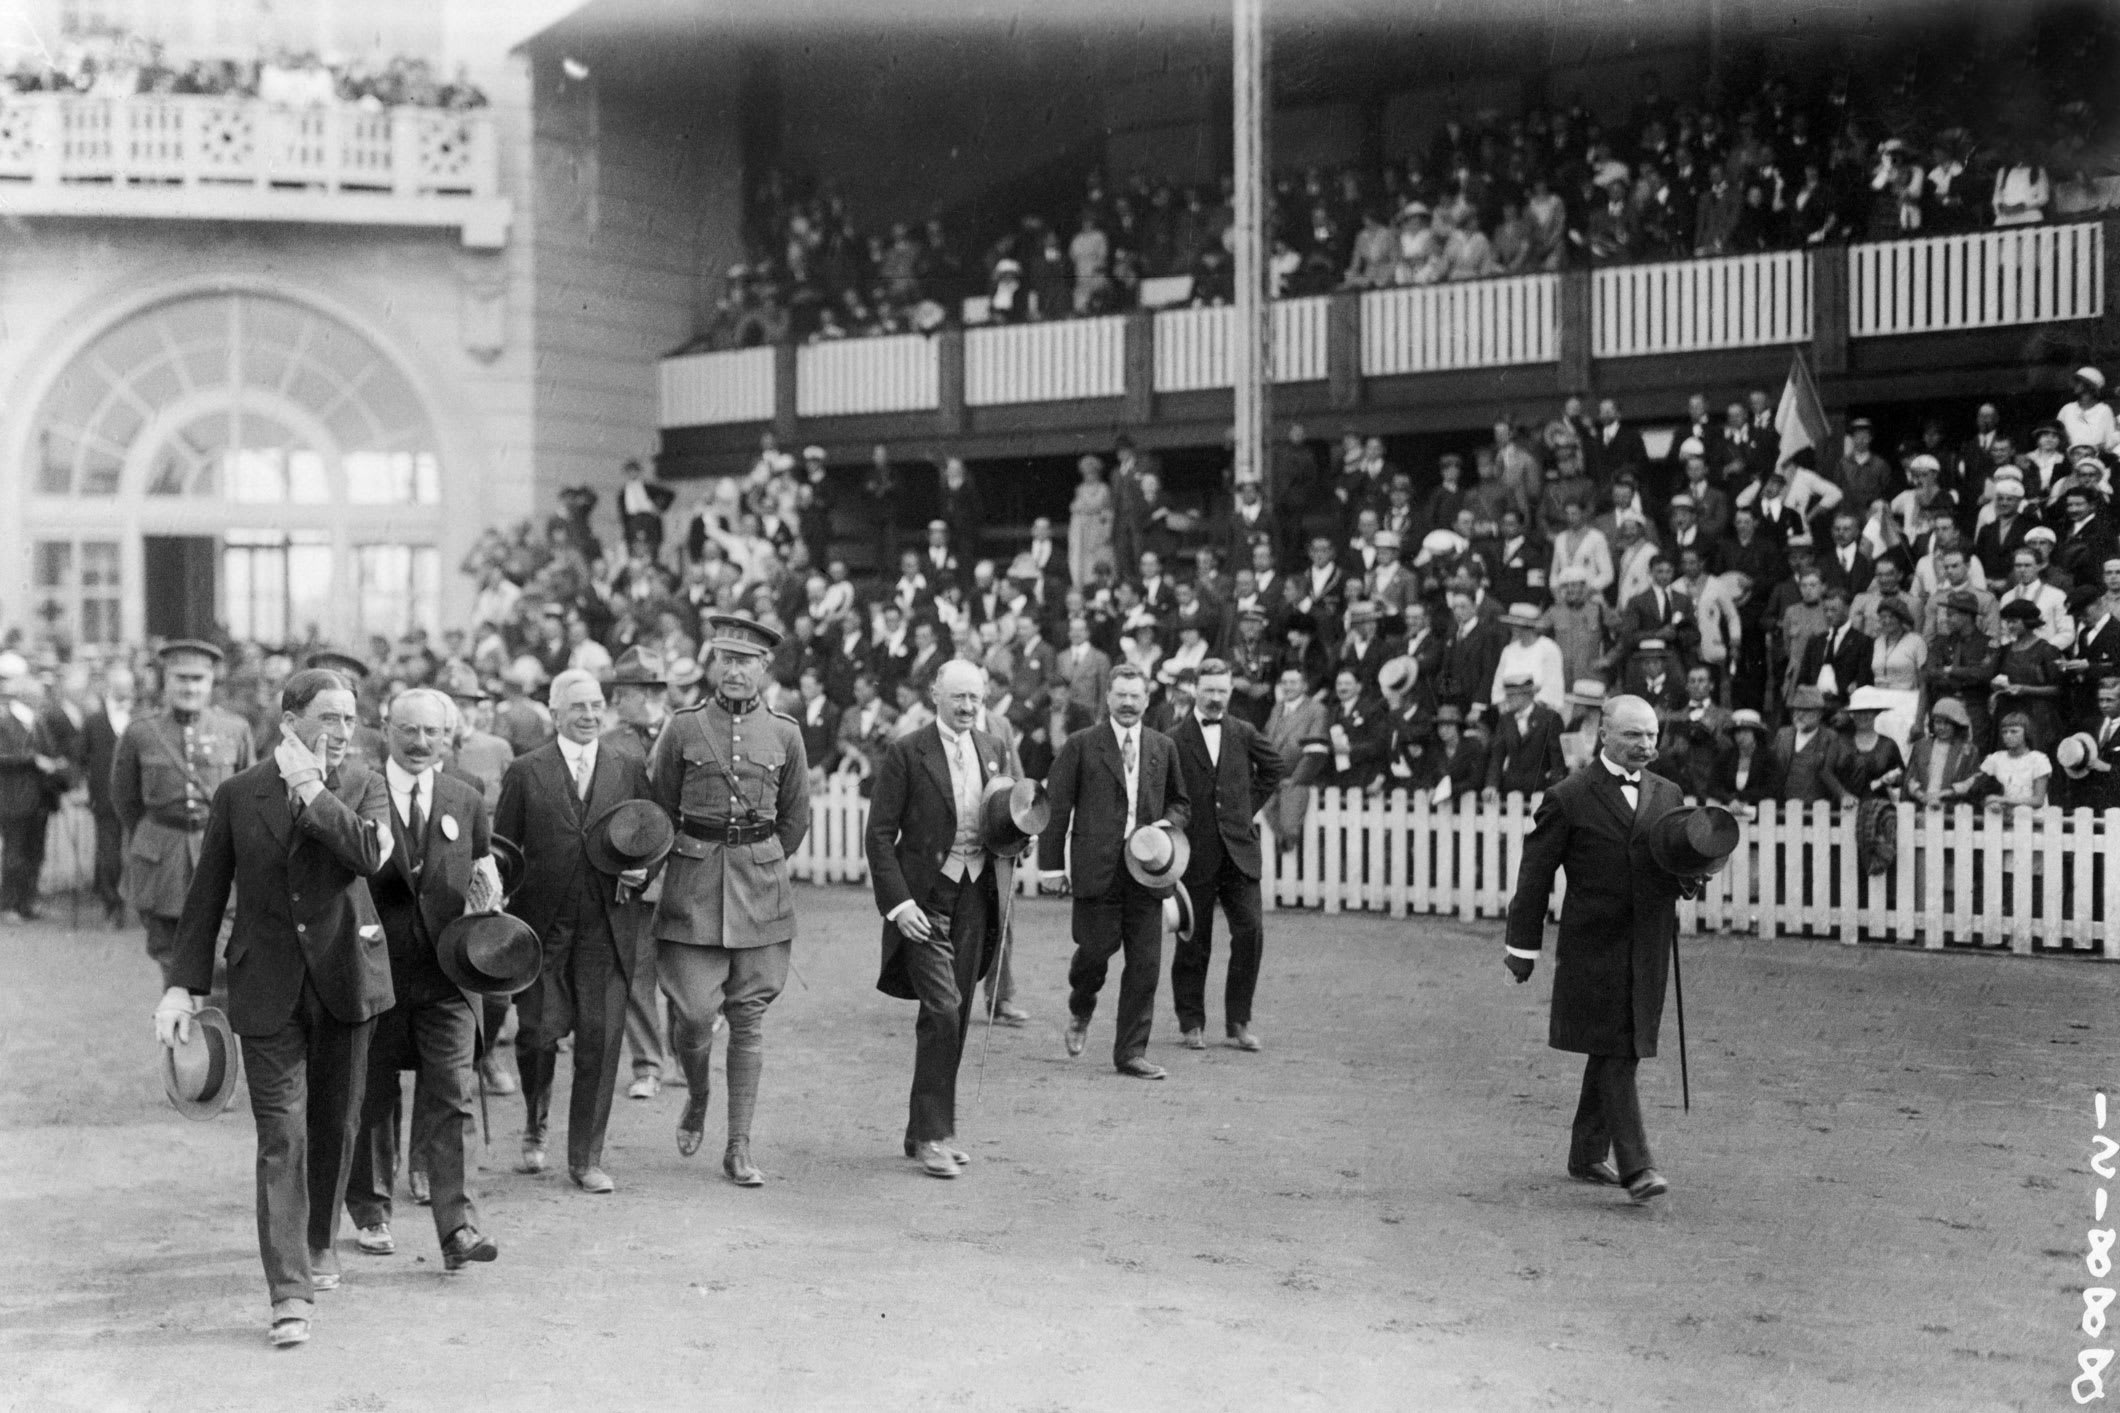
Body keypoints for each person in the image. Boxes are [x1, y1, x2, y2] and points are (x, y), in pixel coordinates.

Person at [155, 667, 392, 1349]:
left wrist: (313, 792)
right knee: (280, 1135)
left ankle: (320, 1238)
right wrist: (182, 986)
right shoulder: (238, 794)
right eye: (329, 717)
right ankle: (289, 1292)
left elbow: (371, 855)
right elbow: (205, 895)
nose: (343, 731)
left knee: (335, 1124)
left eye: (350, 717)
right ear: (291, 720)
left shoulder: (362, 783)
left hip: (347, 979)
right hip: (265, 988)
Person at [1502, 695, 1693, 1204]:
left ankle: (1587, 1153)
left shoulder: (1668, 791)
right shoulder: (1569, 795)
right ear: (1604, 734)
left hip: (1649, 942)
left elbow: (1672, 860)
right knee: (1616, 1048)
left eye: (1652, 735)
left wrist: (1690, 877)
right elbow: (1535, 875)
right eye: (1634, 735)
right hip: (1594, 944)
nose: (1646, 745)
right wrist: (1523, 948)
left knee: (1622, 1046)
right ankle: (1638, 1167)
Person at [646, 615, 811, 1186]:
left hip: (761, 893)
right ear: (714, 663)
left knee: (748, 1017)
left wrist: (759, 858)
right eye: (726, 659)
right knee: (692, 1013)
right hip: (692, 890)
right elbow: (661, 808)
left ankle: (739, 1145)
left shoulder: (786, 733)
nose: (735, 670)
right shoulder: (684, 728)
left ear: (766, 668)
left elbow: (794, 818)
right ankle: (697, 1093)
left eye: (747, 661)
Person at [342, 689, 500, 1273]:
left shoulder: (466, 795)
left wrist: (490, 895)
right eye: (407, 731)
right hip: (374, 975)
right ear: (385, 728)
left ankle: (458, 1227)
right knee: (374, 1095)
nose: (419, 743)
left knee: (453, 1094)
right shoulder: (356, 790)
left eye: (432, 734)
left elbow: (482, 867)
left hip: (447, 978)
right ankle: (371, 1209)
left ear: (448, 738)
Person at [494, 669, 654, 1195]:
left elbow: (651, 833)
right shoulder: (525, 771)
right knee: (539, 1032)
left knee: (601, 1039)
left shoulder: (627, 767)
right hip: (543, 926)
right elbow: (504, 848)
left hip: (608, 922)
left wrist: (644, 871)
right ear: (555, 711)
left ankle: (586, 1158)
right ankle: (536, 1121)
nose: (589, 715)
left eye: (596, 706)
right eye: (578, 706)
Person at [864, 661, 1011, 1179]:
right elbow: (879, 835)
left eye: (976, 698)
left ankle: (929, 1129)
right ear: (935, 697)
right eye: (958, 698)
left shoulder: (994, 750)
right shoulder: (907, 752)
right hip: (924, 900)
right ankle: (931, 1137)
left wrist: (1022, 831)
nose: (968, 708)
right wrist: (899, 905)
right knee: (945, 1010)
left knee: (953, 1013)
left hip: (977, 898)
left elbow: (1002, 822)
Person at [1037, 664, 1190, 1080]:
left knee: (1145, 966)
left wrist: (1165, 826)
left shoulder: (1162, 747)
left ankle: (1130, 1053)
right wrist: (1050, 867)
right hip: (1096, 870)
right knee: (1093, 955)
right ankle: (1080, 1006)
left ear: (1146, 700)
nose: (1127, 703)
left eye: (1135, 696)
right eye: (1120, 695)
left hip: (1147, 873)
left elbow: (1180, 803)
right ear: (1108, 699)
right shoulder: (1082, 745)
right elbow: (1056, 806)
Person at [112, 641, 257, 979]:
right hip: (163, 862)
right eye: (181, 678)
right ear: (166, 680)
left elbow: (248, 798)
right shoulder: (140, 733)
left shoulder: (235, 730)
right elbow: (125, 799)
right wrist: (154, 836)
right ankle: (179, 1021)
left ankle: (211, 1027)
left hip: (218, 857)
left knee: (220, 962)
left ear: (210, 683)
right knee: (171, 960)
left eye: (198, 679)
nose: (189, 687)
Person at [1167, 660, 1285, 1053]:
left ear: (1231, 691)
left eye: (1222, 691)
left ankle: (1238, 1021)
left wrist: (1245, 806)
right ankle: (1191, 1022)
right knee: (1193, 939)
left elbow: (1274, 766)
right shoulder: (1175, 738)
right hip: (1196, 852)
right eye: (1209, 690)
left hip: (1240, 851)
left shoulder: (1243, 731)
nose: (1216, 698)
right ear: (1194, 690)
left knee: (1250, 932)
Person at [82, 662, 135, 927]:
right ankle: (111, 903)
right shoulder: (94, 722)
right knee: (109, 852)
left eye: (129, 687)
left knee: (139, 851)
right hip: (104, 797)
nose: (126, 691)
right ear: (111, 688)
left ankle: (142, 905)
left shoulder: (140, 719)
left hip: (138, 797)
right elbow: (82, 756)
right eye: (121, 687)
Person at [1483, 670, 1567, 802]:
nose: (1508, 700)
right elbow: (1497, 757)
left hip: (1540, 790)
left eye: (1512, 696)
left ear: (1527, 695)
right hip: (1510, 791)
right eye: (1507, 695)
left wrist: (1556, 791)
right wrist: (1491, 785)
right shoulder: (1505, 720)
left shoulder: (1549, 718)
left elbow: (1557, 761)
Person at [1903, 698, 1981, 808]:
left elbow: (1974, 780)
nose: (1941, 727)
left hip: (1953, 808)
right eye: (1938, 722)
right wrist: (1921, 795)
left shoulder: (1967, 750)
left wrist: (1947, 793)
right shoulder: (1921, 746)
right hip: (1922, 805)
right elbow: (1910, 777)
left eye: (1947, 723)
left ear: (1956, 725)